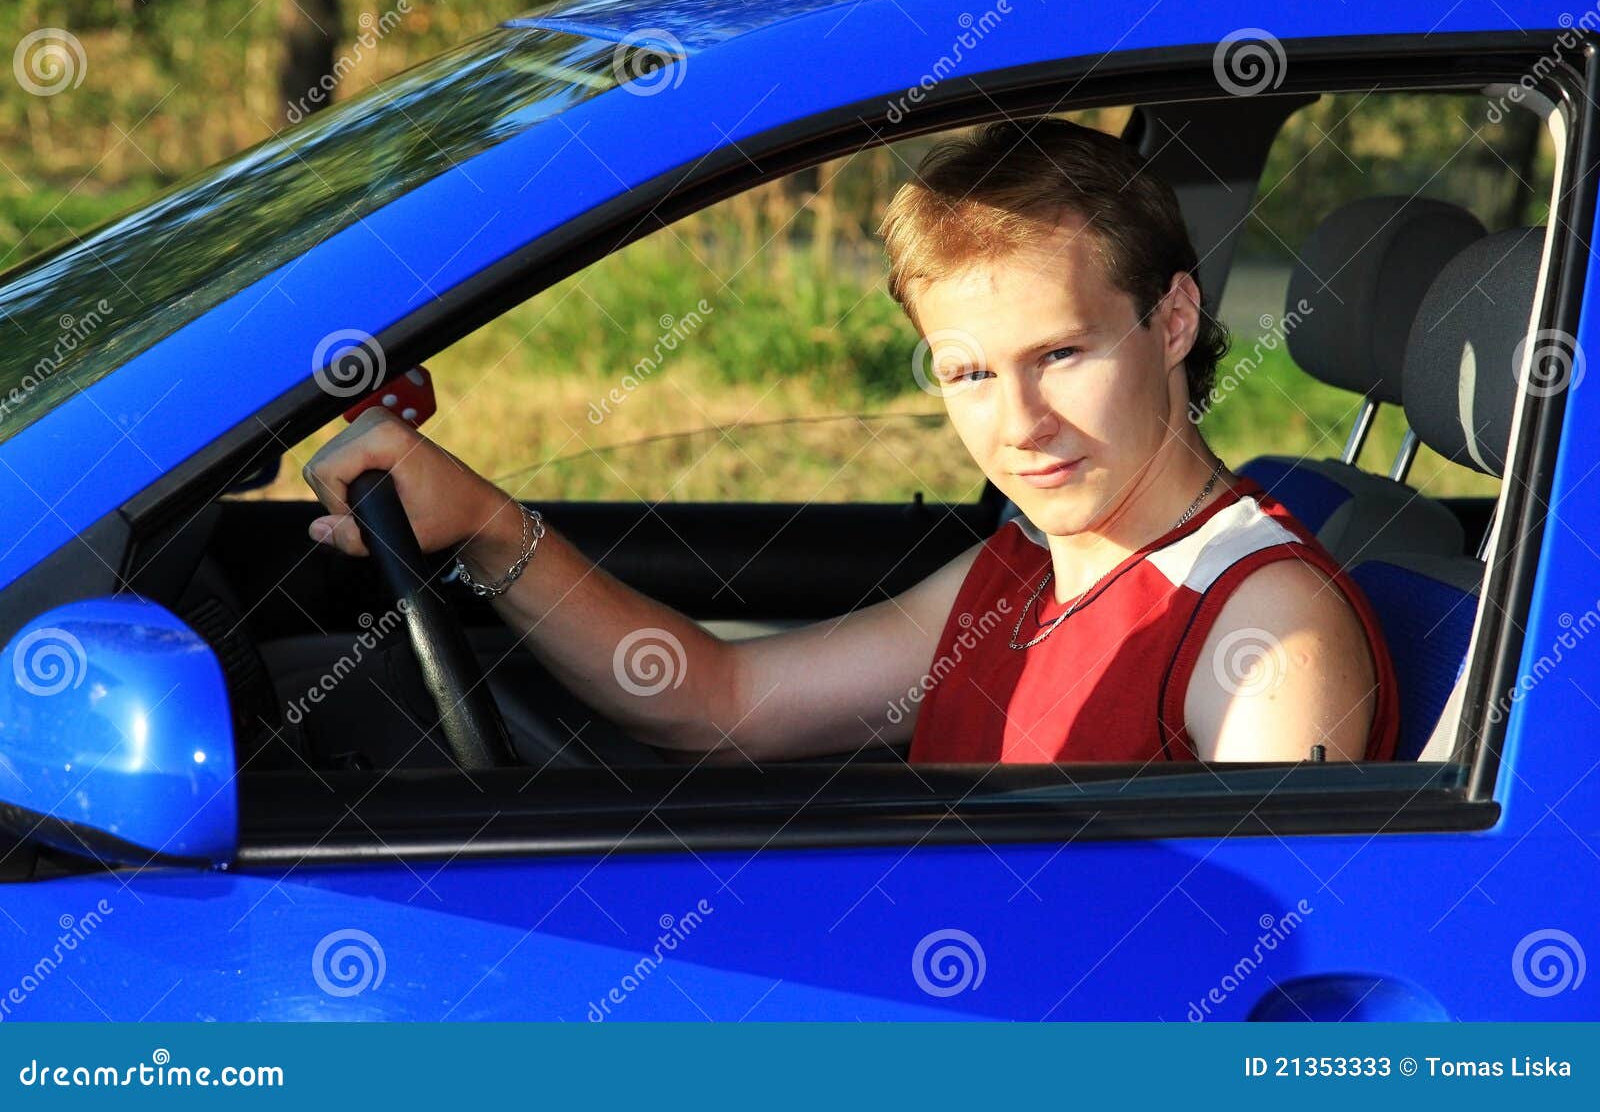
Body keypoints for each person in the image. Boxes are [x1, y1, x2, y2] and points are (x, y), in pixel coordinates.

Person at [302, 117, 1400, 766]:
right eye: (970, 372)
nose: (1018, 426)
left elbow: (1249, 992)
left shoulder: (1261, 626)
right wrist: (492, 529)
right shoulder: (1034, 564)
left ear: (1169, 321)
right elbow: (722, 704)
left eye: (1059, 355)